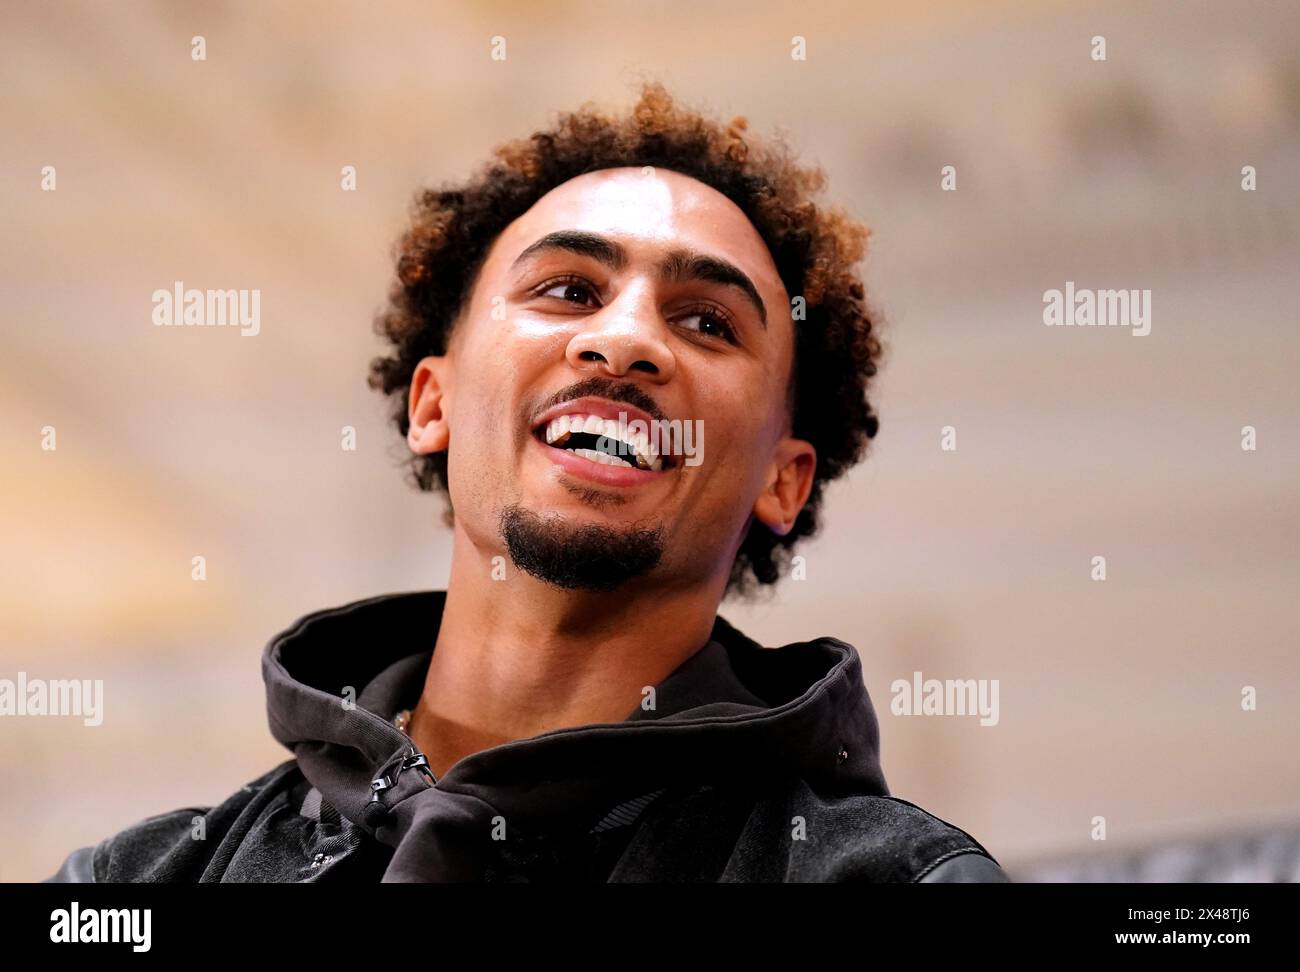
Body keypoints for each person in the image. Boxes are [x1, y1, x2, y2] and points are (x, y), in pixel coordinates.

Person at [45, 83, 1007, 883]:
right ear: (436, 403)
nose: (625, 339)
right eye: (570, 290)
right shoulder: (132, 883)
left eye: (709, 321)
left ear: (783, 482)